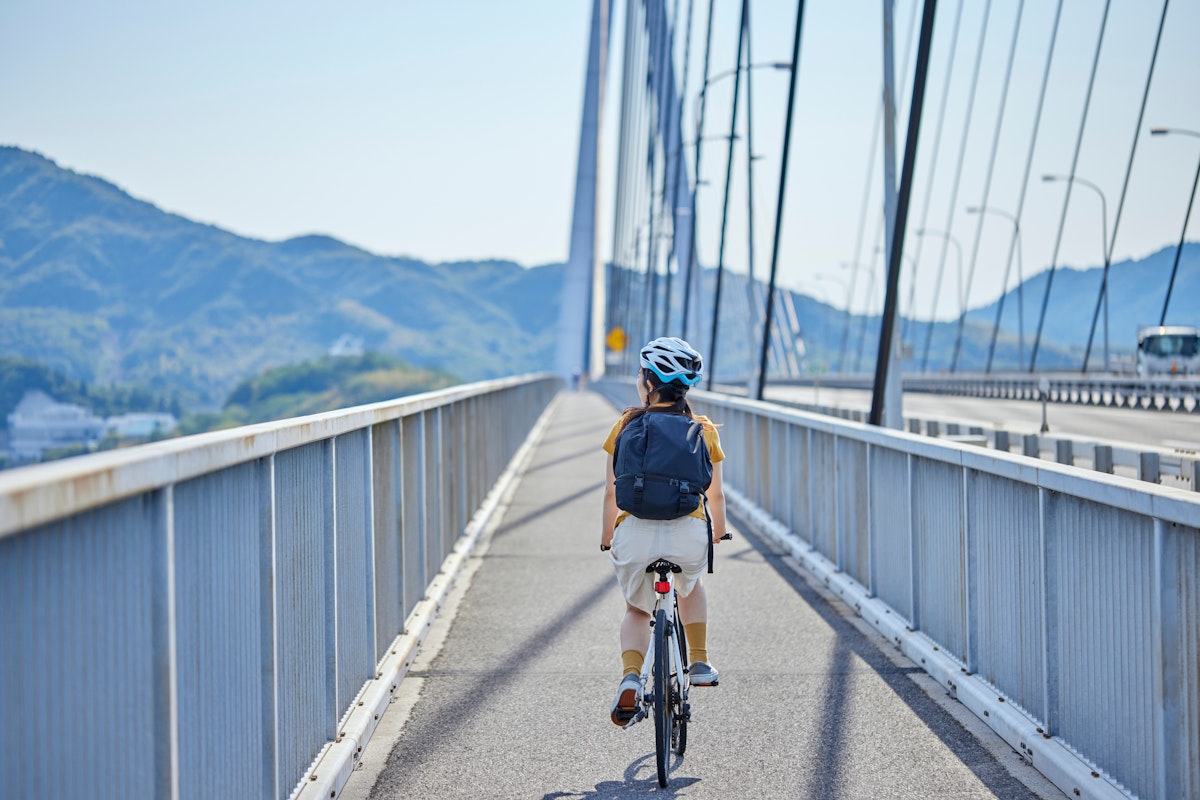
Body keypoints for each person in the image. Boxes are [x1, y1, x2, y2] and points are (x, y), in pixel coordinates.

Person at [600, 337, 729, 726]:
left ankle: (631, 677)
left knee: (637, 608)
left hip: (635, 535)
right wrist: (718, 534)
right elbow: (716, 495)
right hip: (687, 535)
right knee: (690, 586)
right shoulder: (703, 429)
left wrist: (607, 538)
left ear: (647, 383)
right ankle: (701, 662)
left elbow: (611, 493)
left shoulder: (625, 425)